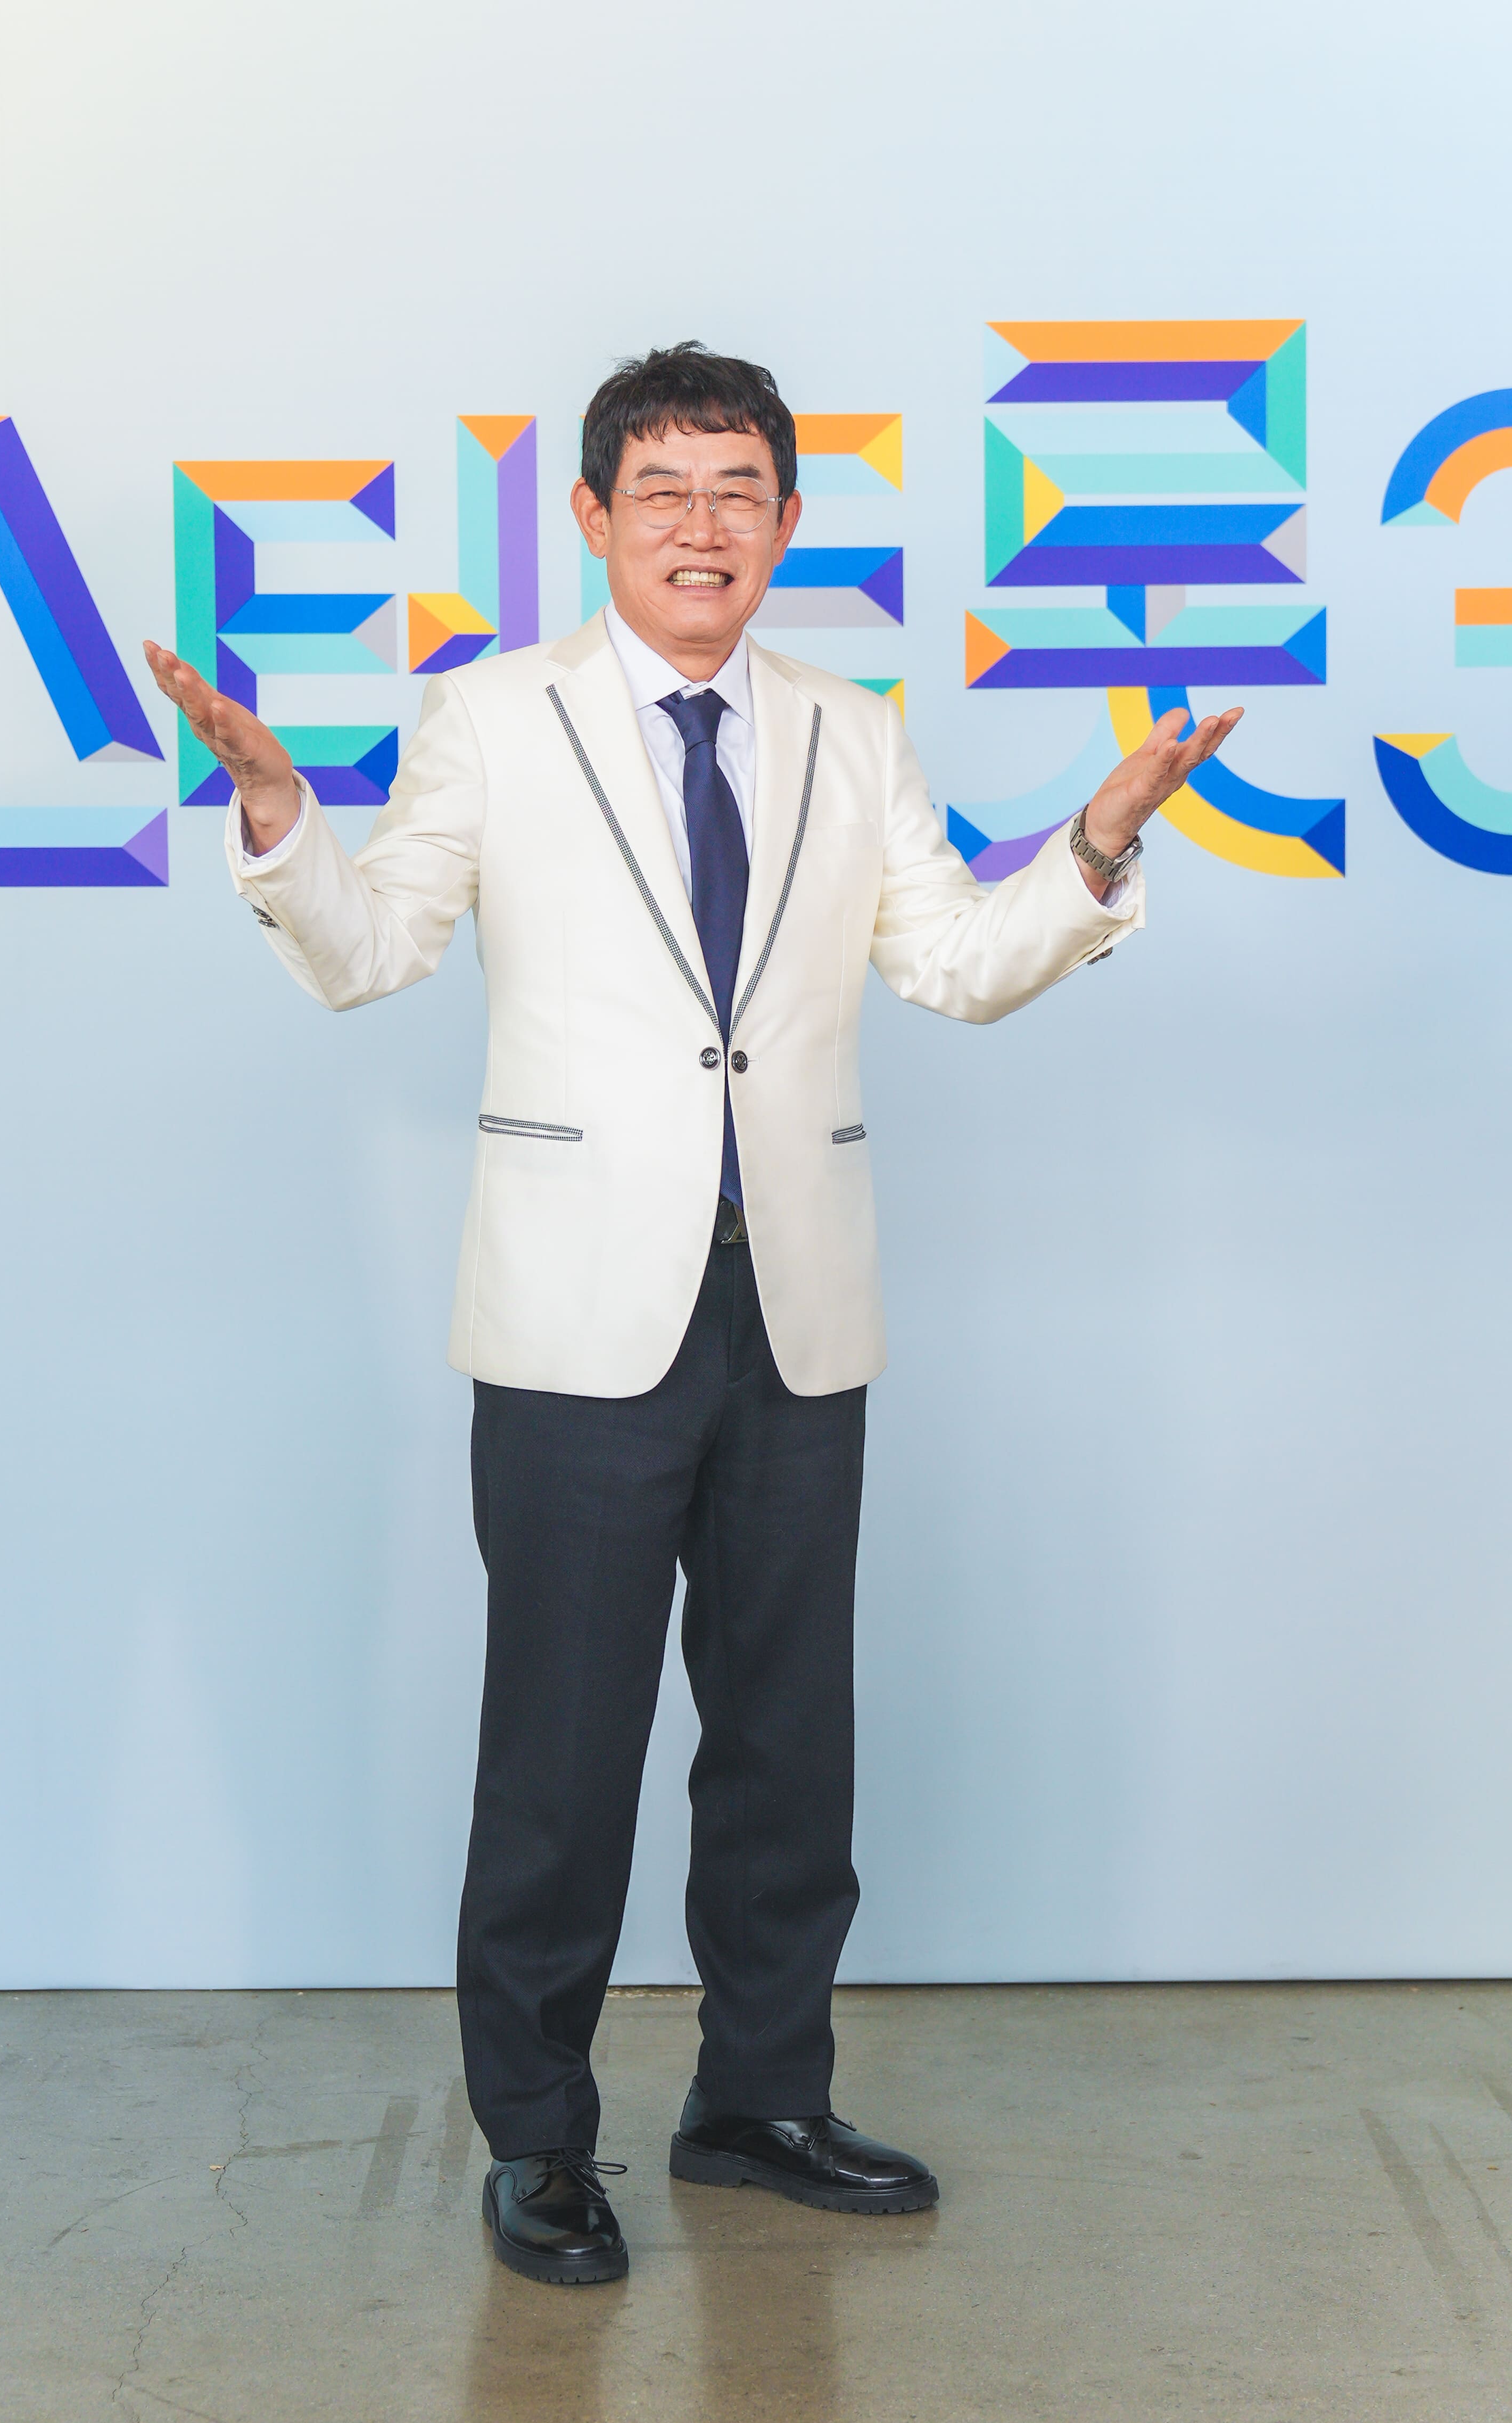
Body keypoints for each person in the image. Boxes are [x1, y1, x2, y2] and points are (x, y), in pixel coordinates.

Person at [144, 343, 1240, 2289]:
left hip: (796, 1302)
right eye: (663, 490)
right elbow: (377, 948)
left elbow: (955, 963)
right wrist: (278, 814)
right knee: (560, 1755)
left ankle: (759, 2100)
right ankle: (539, 2141)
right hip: (578, 1316)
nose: (702, 525)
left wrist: (1091, 852)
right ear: (593, 517)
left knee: (788, 1743)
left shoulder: (848, 730)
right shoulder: (498, 718)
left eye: (739, 490)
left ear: (788, 521)